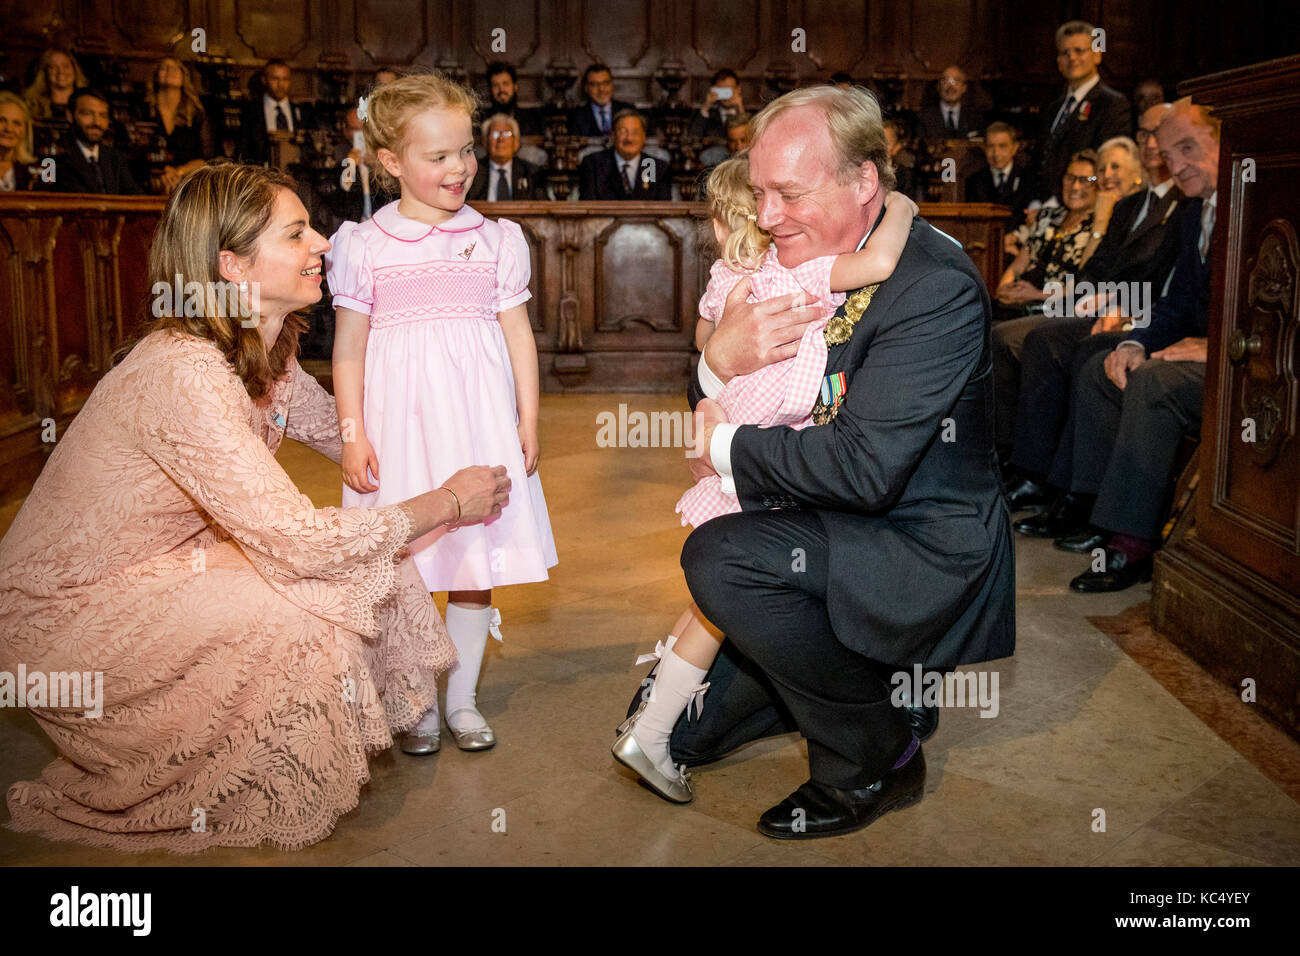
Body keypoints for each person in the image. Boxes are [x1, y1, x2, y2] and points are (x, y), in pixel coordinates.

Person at [0, 162, 511, 852]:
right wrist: (451, 500)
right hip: (64, 612)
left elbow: (352, 440)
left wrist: (462, 415)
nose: (325, 243)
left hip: (164, 567)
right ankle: (210, 773)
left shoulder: (264, 354)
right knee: (308, 610)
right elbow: (300, 539)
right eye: (297, 233)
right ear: (232, 264)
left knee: (369, 565)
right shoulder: (183, 370)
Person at [622, 85, 1013, 839]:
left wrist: (720, 446)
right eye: (760, 192)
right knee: (689, 739)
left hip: (913, 543)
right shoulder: (789, 253)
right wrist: (713, 363)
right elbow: (738, 380)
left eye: (789, 193)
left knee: (722, 561)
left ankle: (876, 757)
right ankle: (859, 679)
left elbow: (864, 470)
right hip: (813, 516)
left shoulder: (933, 288)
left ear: (864, 181)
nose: (765, 217)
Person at [612, 156, 917, 801]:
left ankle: (657, 714)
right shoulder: (790, 274)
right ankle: (658, 727)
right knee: (718, 602)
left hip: (738, 453)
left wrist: (712, 363)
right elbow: (880, 264)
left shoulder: (726, 282)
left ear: (722, 230)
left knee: (709, 602)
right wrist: (903, 210)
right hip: (760, 463)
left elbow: (702, 335)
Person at [327, 73, 557, 755]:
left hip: (477, 421)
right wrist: (352, 433)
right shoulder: (364, 246)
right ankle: (417, 699)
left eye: (466, 151)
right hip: (401, 426)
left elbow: (518, 336)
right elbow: (347, 352)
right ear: (391, 162)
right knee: (408, 568)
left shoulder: (495, 240)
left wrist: (529, 421)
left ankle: (462, 700)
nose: (459, 168)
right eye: (439, 157)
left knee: (469, 567)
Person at [1064, 98, 1219, 592]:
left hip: (1248, 367)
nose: (1177, 164)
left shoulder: (1265, 203)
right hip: (1189, 351)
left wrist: (1216, 349)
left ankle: (1131, 545)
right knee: (1107, 367)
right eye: (1170, 154)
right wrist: (1135, 341)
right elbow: (1178, 302)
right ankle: (1096, 512)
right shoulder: (1197, 212)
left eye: (1189, 148)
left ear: (1227, 142)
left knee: (1152, 383)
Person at [1003, 103, 1181, 528]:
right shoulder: (1128, 206)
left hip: (1139, 311)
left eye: (1158, 135)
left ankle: (1073, 493)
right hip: (1100, 304)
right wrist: (1086, 297)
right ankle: (1030, 473)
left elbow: (1162, 280)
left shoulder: (1181, 202)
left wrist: (1116, 303)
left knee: (1073, 347)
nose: (1151, 143)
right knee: (1040, 339)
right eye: (1143, 135)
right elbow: (1095, 270)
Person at [1033, 20, 1131, 205]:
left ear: (1097, 55)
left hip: (1082, 205)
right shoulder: (1053, 108)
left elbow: (1105, 167)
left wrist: (1060, 201)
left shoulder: (1113, 105)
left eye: (1079, 50)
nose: (1072, 57)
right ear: (1058, 62)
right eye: (1065, 52)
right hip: (1041, 208)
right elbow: (1039, 162)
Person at [993, 150, 1097, 320]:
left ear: (1097, 185)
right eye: (1070, 178)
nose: (1075, 186)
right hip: (1022, 302)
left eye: (1085, 180)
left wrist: (1037, 295)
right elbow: (1018, 266)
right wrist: (1003, 289)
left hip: (1060, 309)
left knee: (1000, 335)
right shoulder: (1046, 216)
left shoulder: (1097, 229)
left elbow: (1086, 285)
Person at [145, 55, 216, 192]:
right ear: (155, 76)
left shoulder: (197, 114)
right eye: (164, 68)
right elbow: (136, 152)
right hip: (149, 179)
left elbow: (207, 159)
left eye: (176, 68)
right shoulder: (144, 110)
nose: (170, 71)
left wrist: (179, 172)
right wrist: (162, 172)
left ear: (184, 77)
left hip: (188, 180)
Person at [53, 88, 143, 195]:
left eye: (103, 115)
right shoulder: (50, 156)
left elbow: (134, 195)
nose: (97, 122)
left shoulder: (115, 158)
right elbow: (42, 197)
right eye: (88, 114)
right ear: (70, 116)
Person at [578, 110, 671, 200]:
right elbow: (588, 205)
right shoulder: (594, 164)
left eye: (635, 132)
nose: (629, 138)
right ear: (613, 136)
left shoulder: (651, 165)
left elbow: (661, 206)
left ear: (643, 137)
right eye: (623, 131)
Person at [236, 59, 311, 166]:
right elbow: (242, 151)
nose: (280, 84)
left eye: (285, 79)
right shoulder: (251, 111)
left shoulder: (303, 111)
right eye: (275, 79)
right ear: (264, 80)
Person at [965, 122, 1033, 227]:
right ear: (984, 148)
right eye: (991, 146)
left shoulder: (1029, 179)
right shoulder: (973, 182)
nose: (996, 153)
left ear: (1014, 147)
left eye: (1002, 146)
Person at [467, 113, 547, 200]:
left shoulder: (531, 173)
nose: (501, 139)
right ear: (485, 142)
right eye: (495, 134)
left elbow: (544, 206)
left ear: (516, 143)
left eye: (506, 134)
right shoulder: (472, 171)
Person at [917, 65, 983, 144]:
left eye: (956, 81)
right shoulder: (923, 117)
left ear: (964, 87)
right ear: (938, 87)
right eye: (945, 81)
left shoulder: (976, 117)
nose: (950, 86)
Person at [569, 63, 634, 137]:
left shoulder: (628, 110)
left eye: (606, 83)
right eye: (594, 84)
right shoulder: (576, 115)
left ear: (612, 85)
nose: (601, 89)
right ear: (586, 88)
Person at [23, 48, 88, 122]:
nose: (60, 71)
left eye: (66, 66)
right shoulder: (33, 106)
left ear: (75, 70)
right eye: (53, 67)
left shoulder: (89, 104)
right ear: (45, 72)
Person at [484, 61, 541, 136]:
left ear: (515, 86)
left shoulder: (531, 120)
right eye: (495, 85)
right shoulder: (482, 121)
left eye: (505, 84)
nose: (501, 89)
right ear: (490, 89)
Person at [688, 69, 746, 140]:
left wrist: (741, 109)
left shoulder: (750, 113)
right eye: (721, 91)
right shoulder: (705, 114)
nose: (726, 96)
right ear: (713, 90)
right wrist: (706, 107)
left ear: (738, 89)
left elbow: (753, 140)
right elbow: (693, 137)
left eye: (728, 90)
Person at [0, 92, 39, 191]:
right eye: (2, 120)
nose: (9, 129)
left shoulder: (34, 171)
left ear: (25, 131)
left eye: (16, 123)